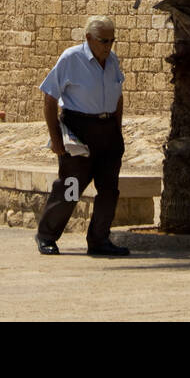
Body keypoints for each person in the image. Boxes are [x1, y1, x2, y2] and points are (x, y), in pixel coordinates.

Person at [35, 14, 130, 257]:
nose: (108, 46)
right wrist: (56, 139)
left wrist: (117, 131)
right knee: (71, 187)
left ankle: (99, 240)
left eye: (112, 41)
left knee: (109, 190)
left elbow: (118, 96)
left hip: (107, 132)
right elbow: (49, 98)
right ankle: (47, 235)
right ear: (88, 38)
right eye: (103, 41)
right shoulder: (71, 58)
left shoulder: (112, 61)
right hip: (79, 129)